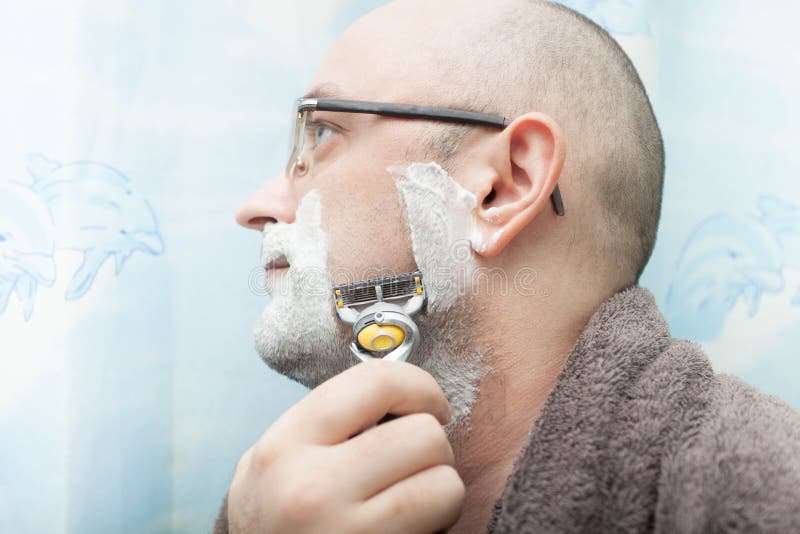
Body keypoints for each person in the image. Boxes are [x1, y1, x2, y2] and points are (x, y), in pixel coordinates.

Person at [216, 0, 800, 532]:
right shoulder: (278, 504)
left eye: (323, 132)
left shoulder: (769, 498)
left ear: (500, 189)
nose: (256, 209)